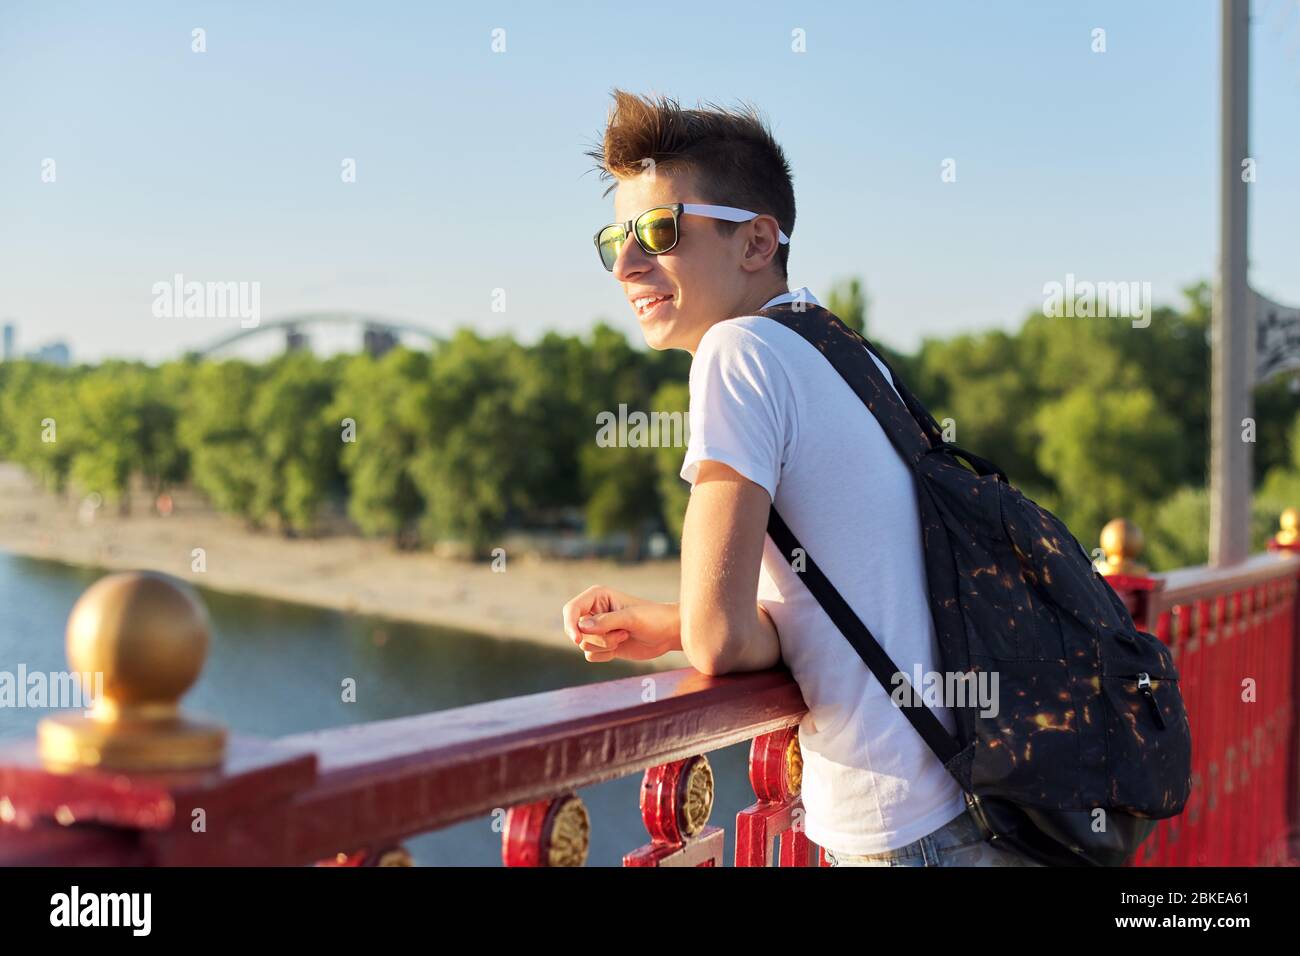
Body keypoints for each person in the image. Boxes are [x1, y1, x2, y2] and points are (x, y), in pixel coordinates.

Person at [562, 90, 1038, 867]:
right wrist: (673, 620)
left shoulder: (736, 354)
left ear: (756, 242)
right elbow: (862, 587)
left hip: (902, 829)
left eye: (659, 230)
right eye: (615, 236)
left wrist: (695, 625)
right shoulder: (837, 346)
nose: (625, 263)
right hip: (969, 797)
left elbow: (718, 642)